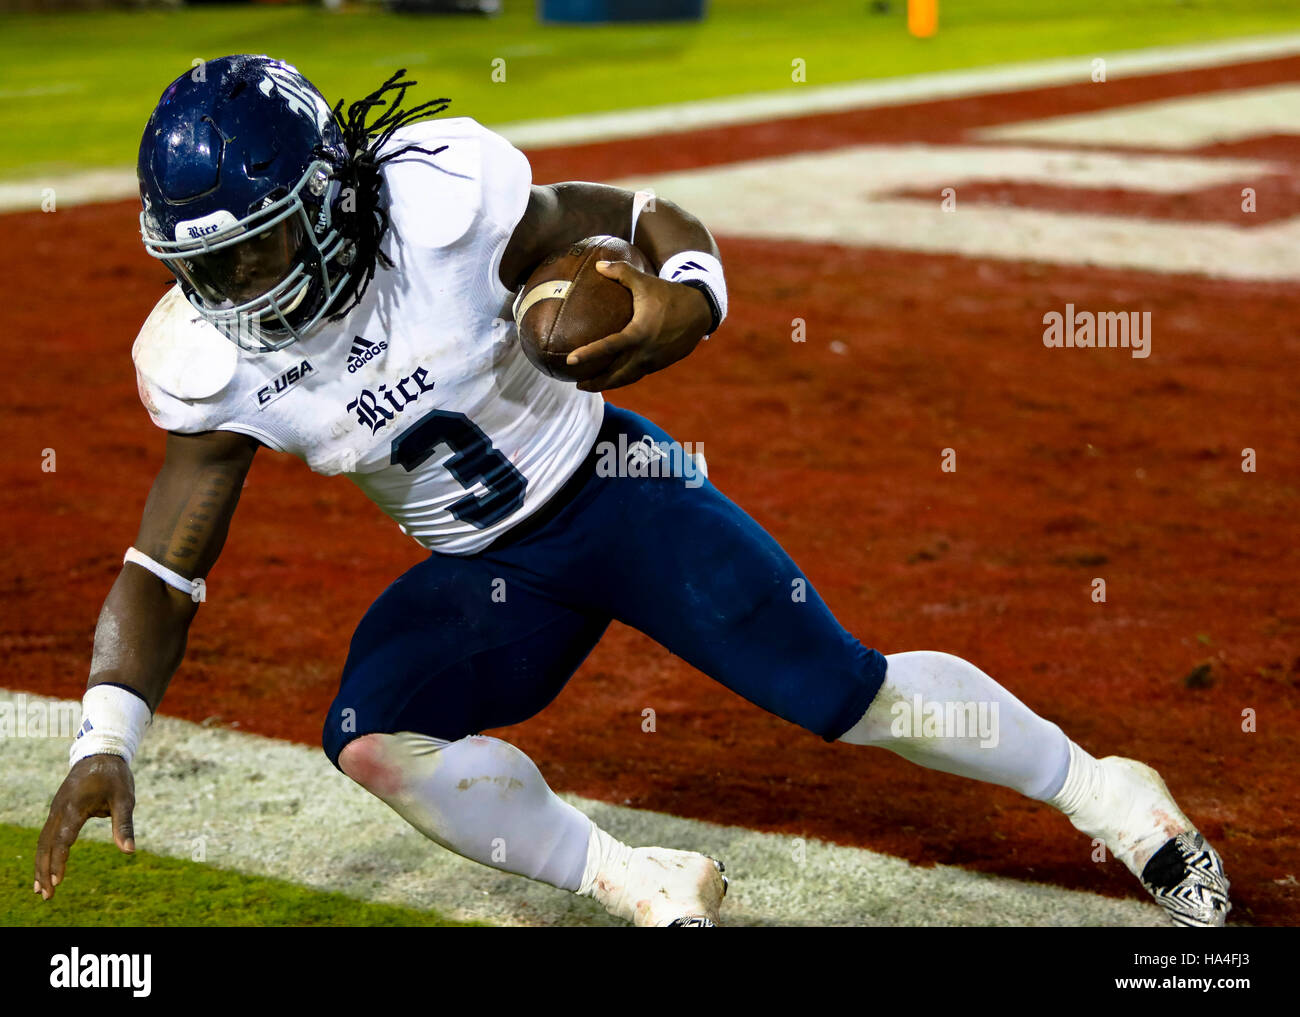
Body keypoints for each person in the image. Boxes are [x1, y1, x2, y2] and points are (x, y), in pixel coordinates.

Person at [34, 56, 1229, 927]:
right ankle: (642, 884)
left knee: (849, 695)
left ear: (336, 194)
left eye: (255, 248)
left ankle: (1114, 801)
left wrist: (689, 292)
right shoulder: (204, 360)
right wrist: (107, 736)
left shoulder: (439, 208)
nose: (231, 287)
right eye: (199, 262)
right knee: (372, 740)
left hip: (618, 486)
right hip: (487, 569)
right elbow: (166, 565)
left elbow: (638, 216)